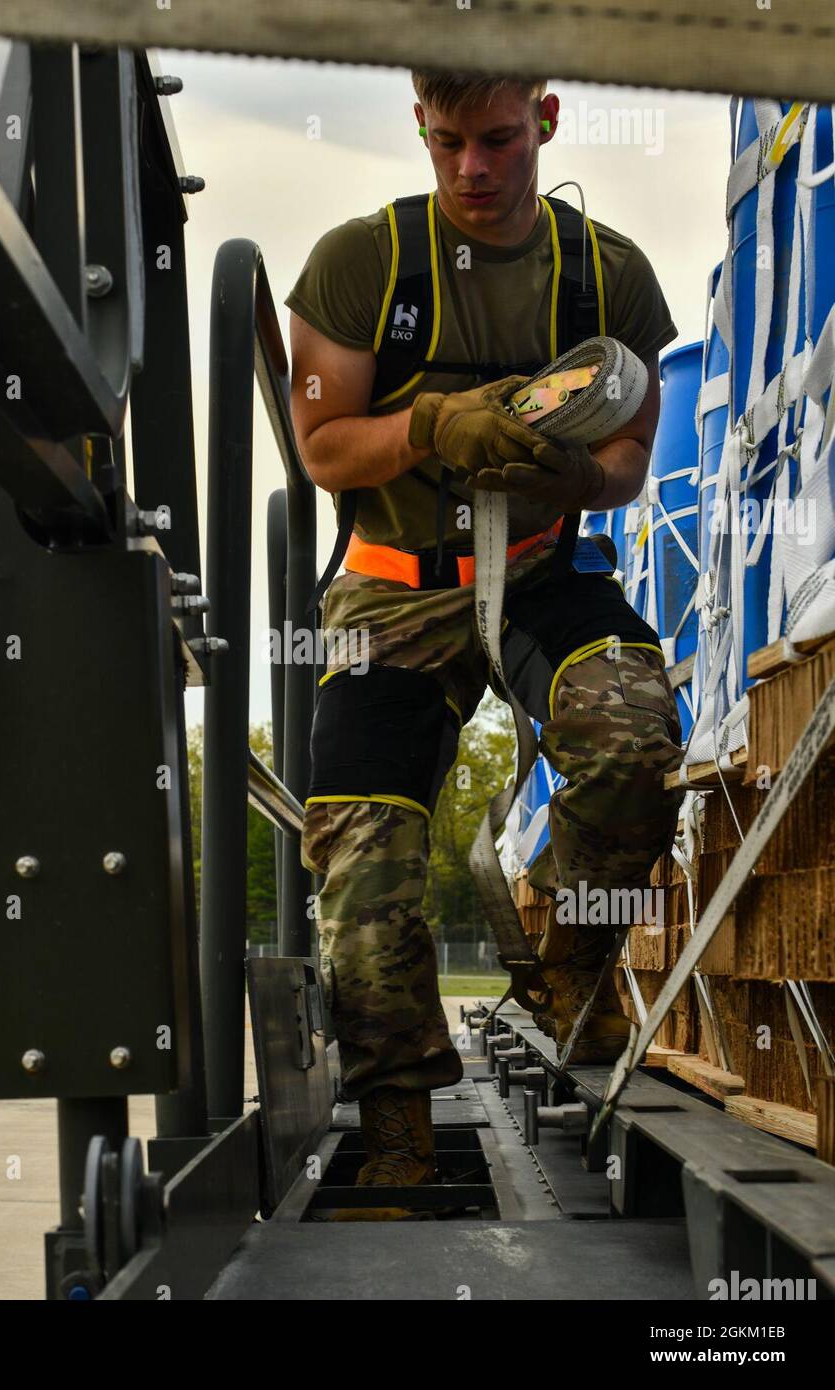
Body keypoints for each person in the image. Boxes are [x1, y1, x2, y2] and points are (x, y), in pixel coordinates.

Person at [286, 70, 684, 1218]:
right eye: (448, 140)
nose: (472, 167)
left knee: (632, 732)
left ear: (544, 122)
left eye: (499, 139)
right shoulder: (362, 264)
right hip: (391, 592)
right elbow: (321, 447)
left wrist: (573, 472)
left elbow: (625, 463)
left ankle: (559, 969)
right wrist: (425, 423)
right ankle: (400, 1129)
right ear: (419, 125)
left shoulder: (606, 275)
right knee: (362, 872)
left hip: (537, 572)